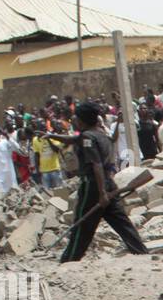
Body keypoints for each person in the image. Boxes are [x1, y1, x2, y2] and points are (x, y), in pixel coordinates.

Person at [44, 102, 146, 263]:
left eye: (76, 117)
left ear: (82, 120)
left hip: (93, 186)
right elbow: (72, 139)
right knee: (121, 222)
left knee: (82, 225)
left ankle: (69, 261)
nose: (73, 120)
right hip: (108, 183)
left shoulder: (87, 138)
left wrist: (102, 193)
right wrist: (52, 136)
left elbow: (96, 164)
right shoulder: (100, 134)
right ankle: (141, 251)